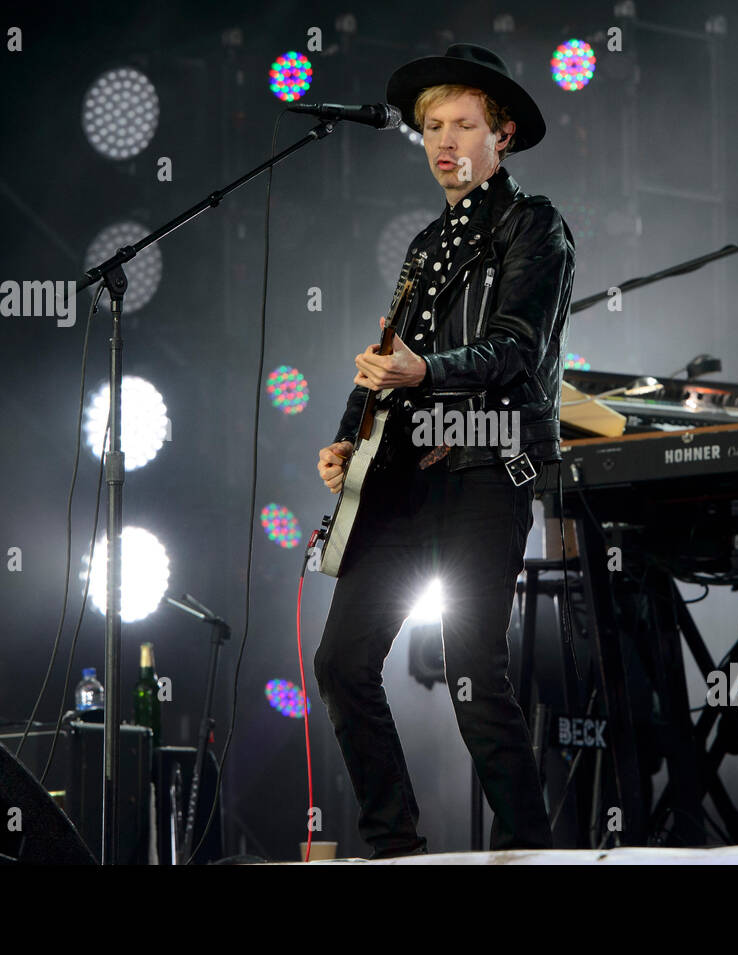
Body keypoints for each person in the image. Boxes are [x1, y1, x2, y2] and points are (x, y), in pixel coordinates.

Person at [312, 44, 575, 858]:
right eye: (431, 125)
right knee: (341, 661)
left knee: (473, 675)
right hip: (404, 480)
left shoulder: (535, 226)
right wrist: (347, 434)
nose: (444, 140)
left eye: (463, 123)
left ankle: (527, 848)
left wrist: (423, 370)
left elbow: (514, 351)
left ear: (502, 136)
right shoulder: (425, 245)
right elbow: (389, 353)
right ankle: (395, 844)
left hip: (487, 469)